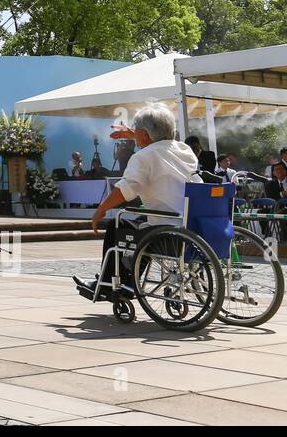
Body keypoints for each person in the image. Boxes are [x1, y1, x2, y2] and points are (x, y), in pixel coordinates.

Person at [77, 104, 199, 295]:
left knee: (115, 226)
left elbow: (126, 190)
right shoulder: (184, 150)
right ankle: (129, 281)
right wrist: (136, 134)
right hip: (193, 226)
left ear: (144, 134)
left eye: (138, 132)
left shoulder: (143, 156)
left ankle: (109, 284)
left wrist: (100, 210)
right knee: (140, 225)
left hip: (167, 231)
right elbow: (159, 144)